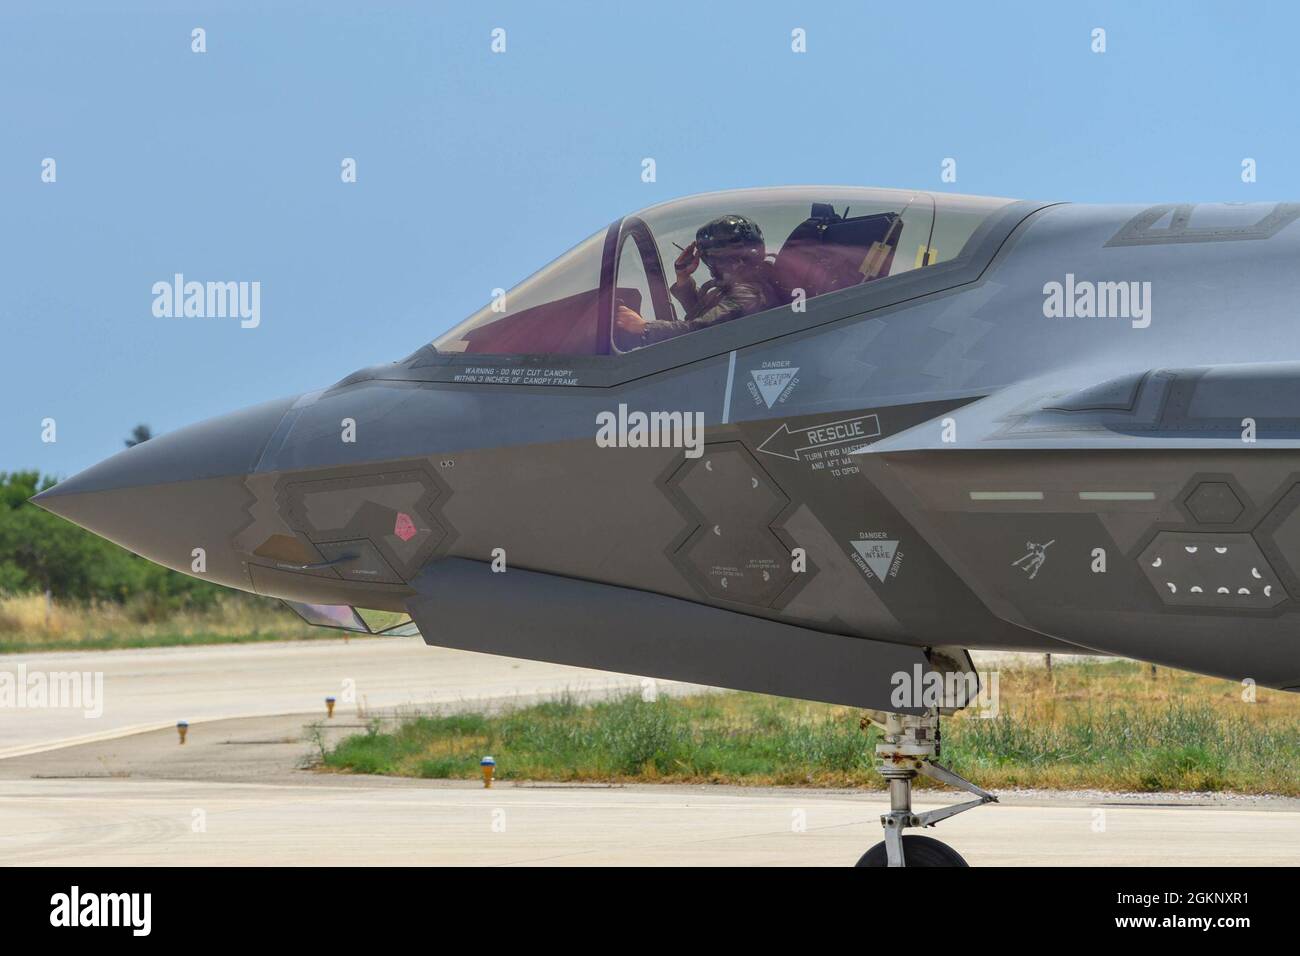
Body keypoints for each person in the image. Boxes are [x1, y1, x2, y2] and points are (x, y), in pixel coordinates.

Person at [615, 214, 780, 348]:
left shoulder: (749, 295)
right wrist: (684, 279)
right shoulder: (744, 289)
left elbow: (700, 331)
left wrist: (645, 328)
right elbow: (710, 316)